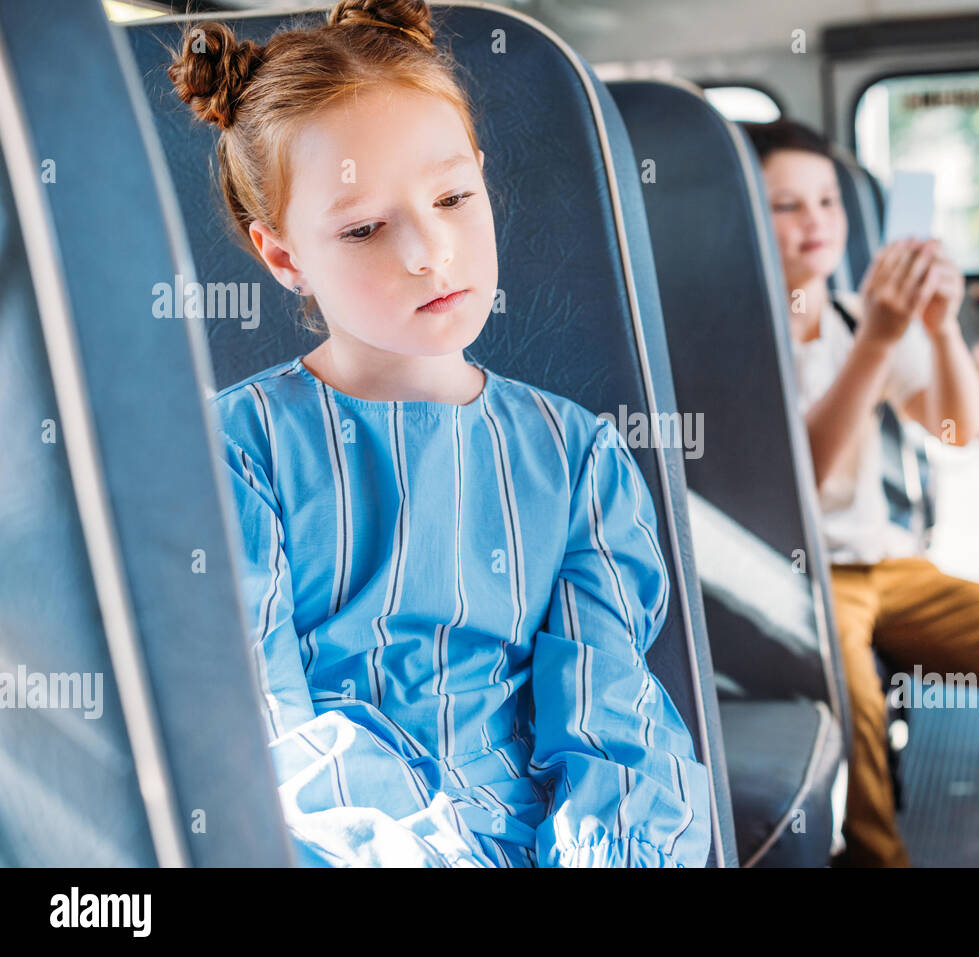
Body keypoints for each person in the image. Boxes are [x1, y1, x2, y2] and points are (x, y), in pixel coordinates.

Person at [168, 0, 711, 868]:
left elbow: (611, 717)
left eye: (453, 196)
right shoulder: (232, 451)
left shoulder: (576, 458)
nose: (429, 249)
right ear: (285, 256)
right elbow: (261, 724)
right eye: (363, 227)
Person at [741, 118, 979, 867]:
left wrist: (937, 330)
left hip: (887, 567)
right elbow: (798, 478)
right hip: (798, 574)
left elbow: (955, 427)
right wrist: (880, 341)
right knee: (856, 702)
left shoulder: (850, 319)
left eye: (827, 201)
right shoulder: (733, 336)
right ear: (742, 211)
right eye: (787, 205)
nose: (816, 222)